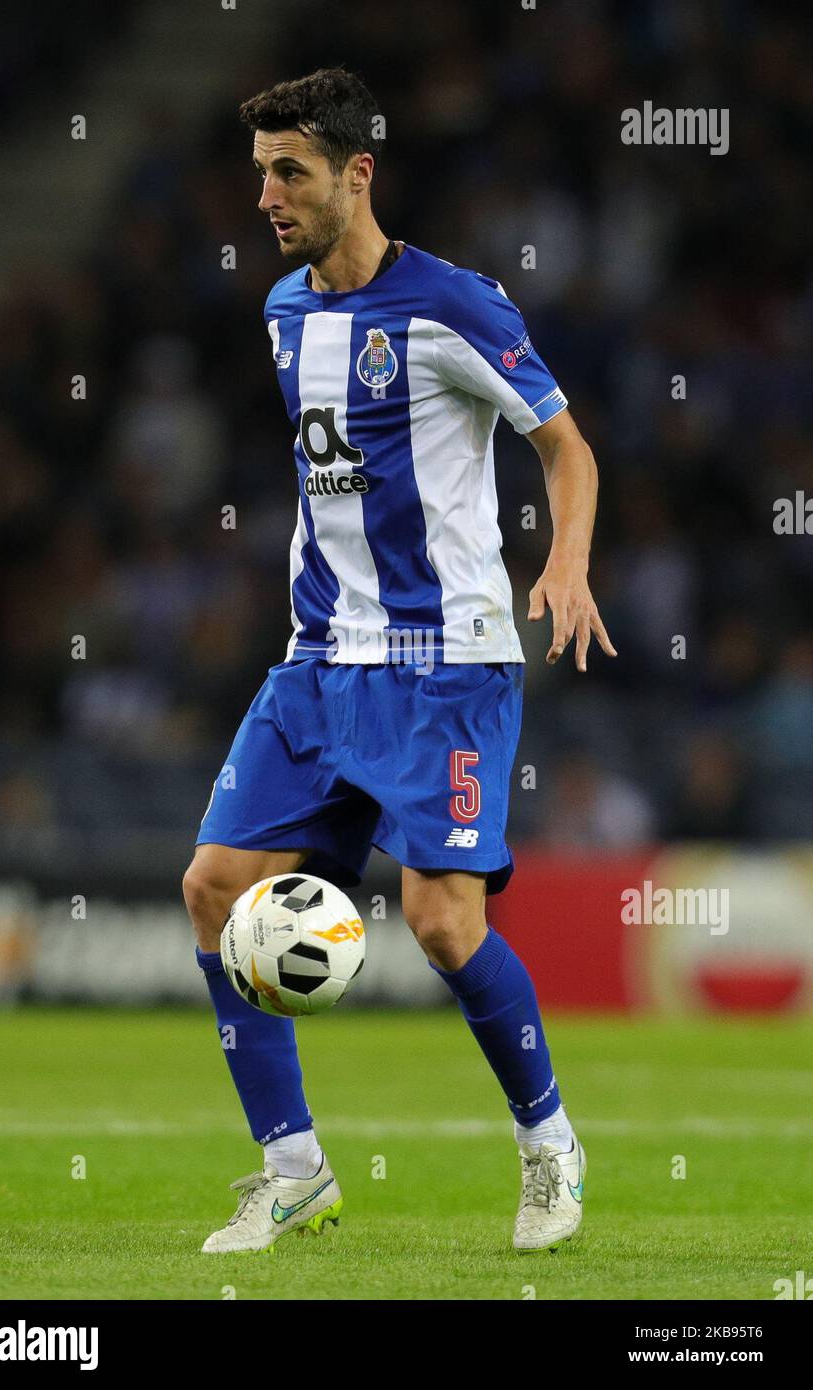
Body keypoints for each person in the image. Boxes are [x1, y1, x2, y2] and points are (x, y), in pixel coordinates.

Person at [182, 67, 616, 1255]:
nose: (266, 192)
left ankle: (546, 1148)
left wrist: (564, 566)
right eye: (260, 169)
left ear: (356, 173)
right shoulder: (279, 311)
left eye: (292, 172)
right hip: (315, 663)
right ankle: (293, 1169)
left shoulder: (454, 305)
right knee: (214, 890)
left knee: (438, 923)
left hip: (446, 668)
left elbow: (566, 448)